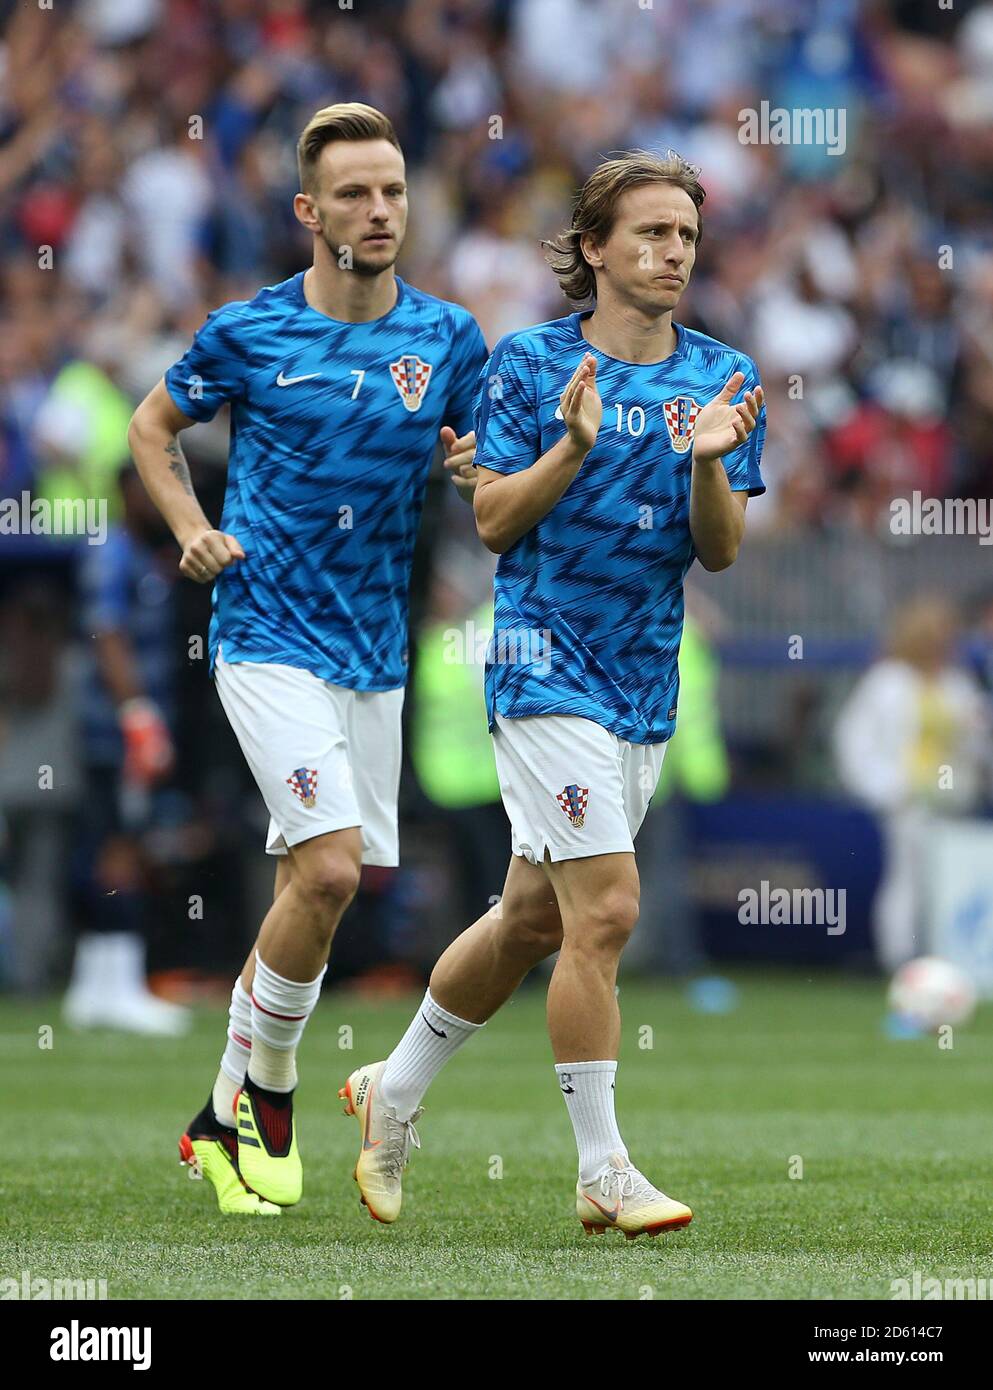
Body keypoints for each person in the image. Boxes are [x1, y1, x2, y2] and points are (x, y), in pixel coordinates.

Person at [340, 150, 765, 1238]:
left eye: (685, 235)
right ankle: (604, 1169)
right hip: (542, 662)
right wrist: (574, 447)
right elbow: (492, 523)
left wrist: (713, 463)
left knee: (532, 916)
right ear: (594, 247)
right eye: (650, 233)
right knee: (611, 907)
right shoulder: (530, 366)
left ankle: (390, 1091)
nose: (673, 252)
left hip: (643, 679)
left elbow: (717, 554)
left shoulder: (720, 377)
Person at [126, 103, 488, 1216]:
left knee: (314, 892)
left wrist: (484, 472)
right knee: (329, 866)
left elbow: (490, 471)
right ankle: (270, 1098)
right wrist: (191, 523)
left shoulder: (448, 339)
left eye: (391, 191)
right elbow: (150, 428)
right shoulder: (249, 332)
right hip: (264, 633)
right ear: (308, 211)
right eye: (353, 195)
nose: (378, 212)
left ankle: (214, 1118)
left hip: (373, 652)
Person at [834, 596, 991, 972]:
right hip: (907, 798)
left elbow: (977, 744)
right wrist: (881, 788)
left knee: (945, 878)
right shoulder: (887, 681)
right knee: (907, 877)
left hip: (954, 799)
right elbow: (852, 739)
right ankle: (900, 958)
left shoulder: (956, 683)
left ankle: (946, 956)